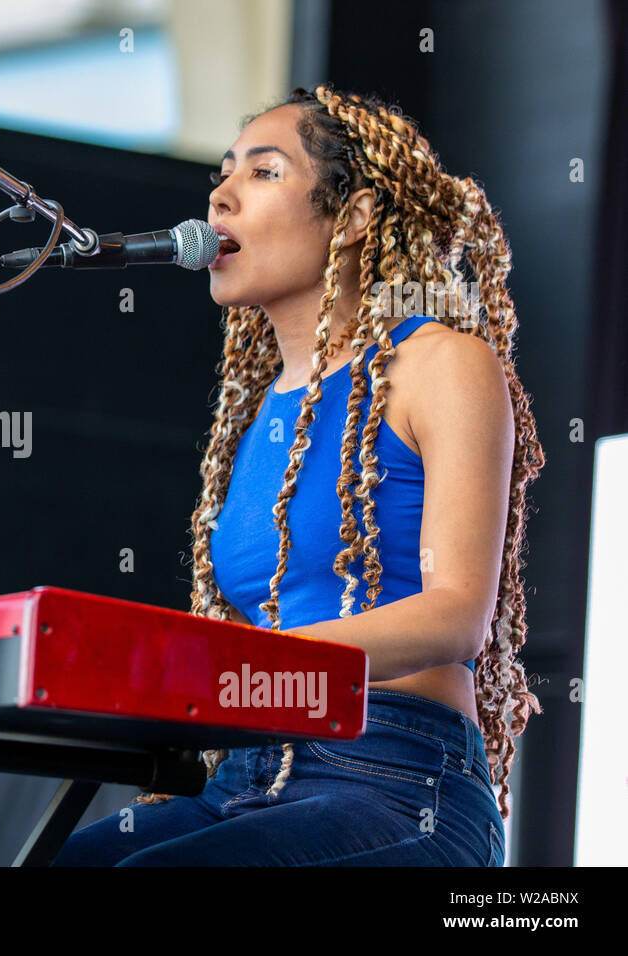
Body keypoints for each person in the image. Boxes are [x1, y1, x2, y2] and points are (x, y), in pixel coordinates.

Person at [54, 85, 545, 866]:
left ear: (351, 218)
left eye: (264, 172)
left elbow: (457, 617)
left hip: (394, 775)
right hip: (250, 772)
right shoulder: (259, 417)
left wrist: (236, 674)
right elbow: (251, 643)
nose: (220, 194)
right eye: (223, 171)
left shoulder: (442, 364)